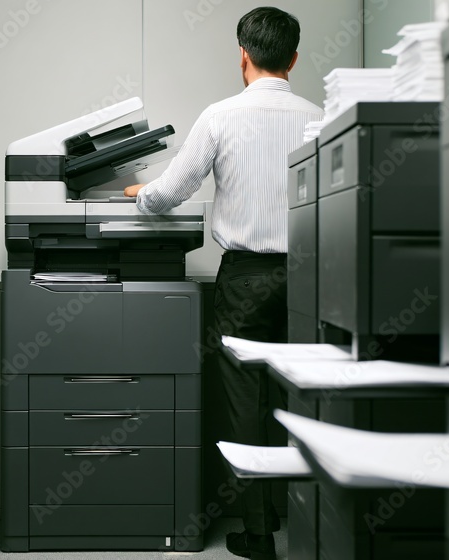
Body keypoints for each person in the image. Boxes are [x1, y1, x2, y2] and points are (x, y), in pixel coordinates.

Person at [123, 7, 322, 560]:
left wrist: (143, 194)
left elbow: (168, 194)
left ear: (243, 54)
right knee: (306, 398)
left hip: (245, 278)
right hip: (310, 279)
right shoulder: (320, 118)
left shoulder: (221, 116)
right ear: (294, 58)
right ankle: (312, 530)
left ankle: (258, 534)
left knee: (245, 401)